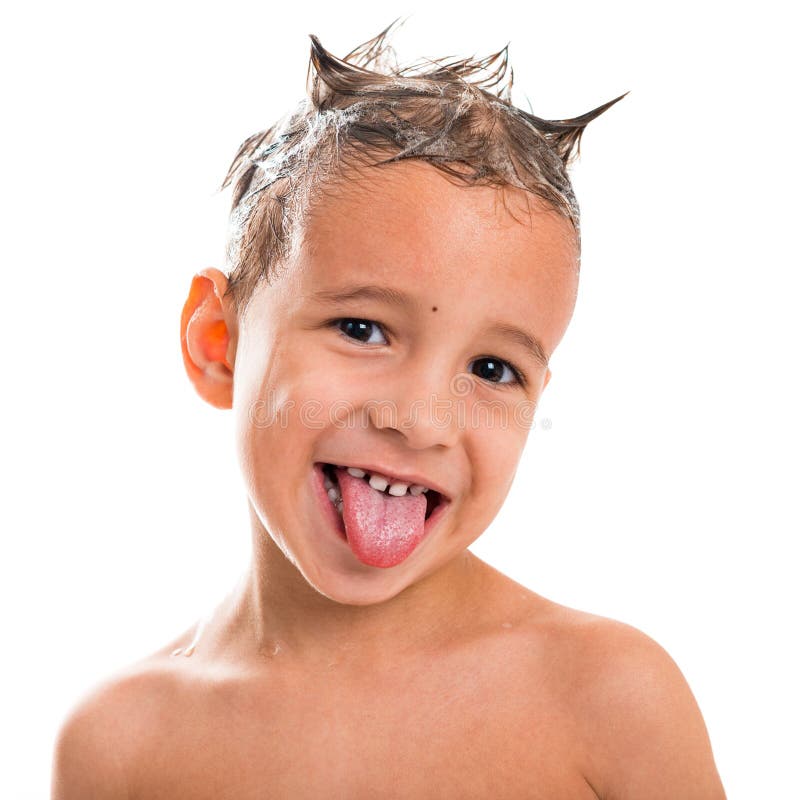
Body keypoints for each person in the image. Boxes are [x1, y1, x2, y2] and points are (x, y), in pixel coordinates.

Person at [51, 22, 726, 799]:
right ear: (218, 344)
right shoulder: (123, 746)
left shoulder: (606, 697)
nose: (422, 420)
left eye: (493, 368)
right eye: (363, 329)